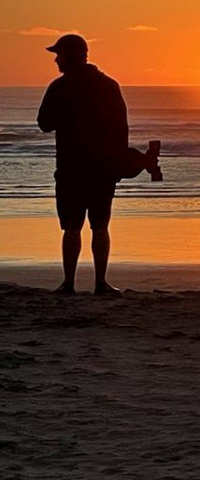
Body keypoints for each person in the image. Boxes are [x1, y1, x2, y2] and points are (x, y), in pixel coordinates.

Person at [37, 34, 128, 296]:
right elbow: (121, 129)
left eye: (59, 54)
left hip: (71, 169)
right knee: (99, 226)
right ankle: (100, 283)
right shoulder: (108, 85)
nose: (56, 60)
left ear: (72, 55)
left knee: (72, 227)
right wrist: (119, 162)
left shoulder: (59, 87)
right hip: (101, 170)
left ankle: (69, 283)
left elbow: (44, 123)